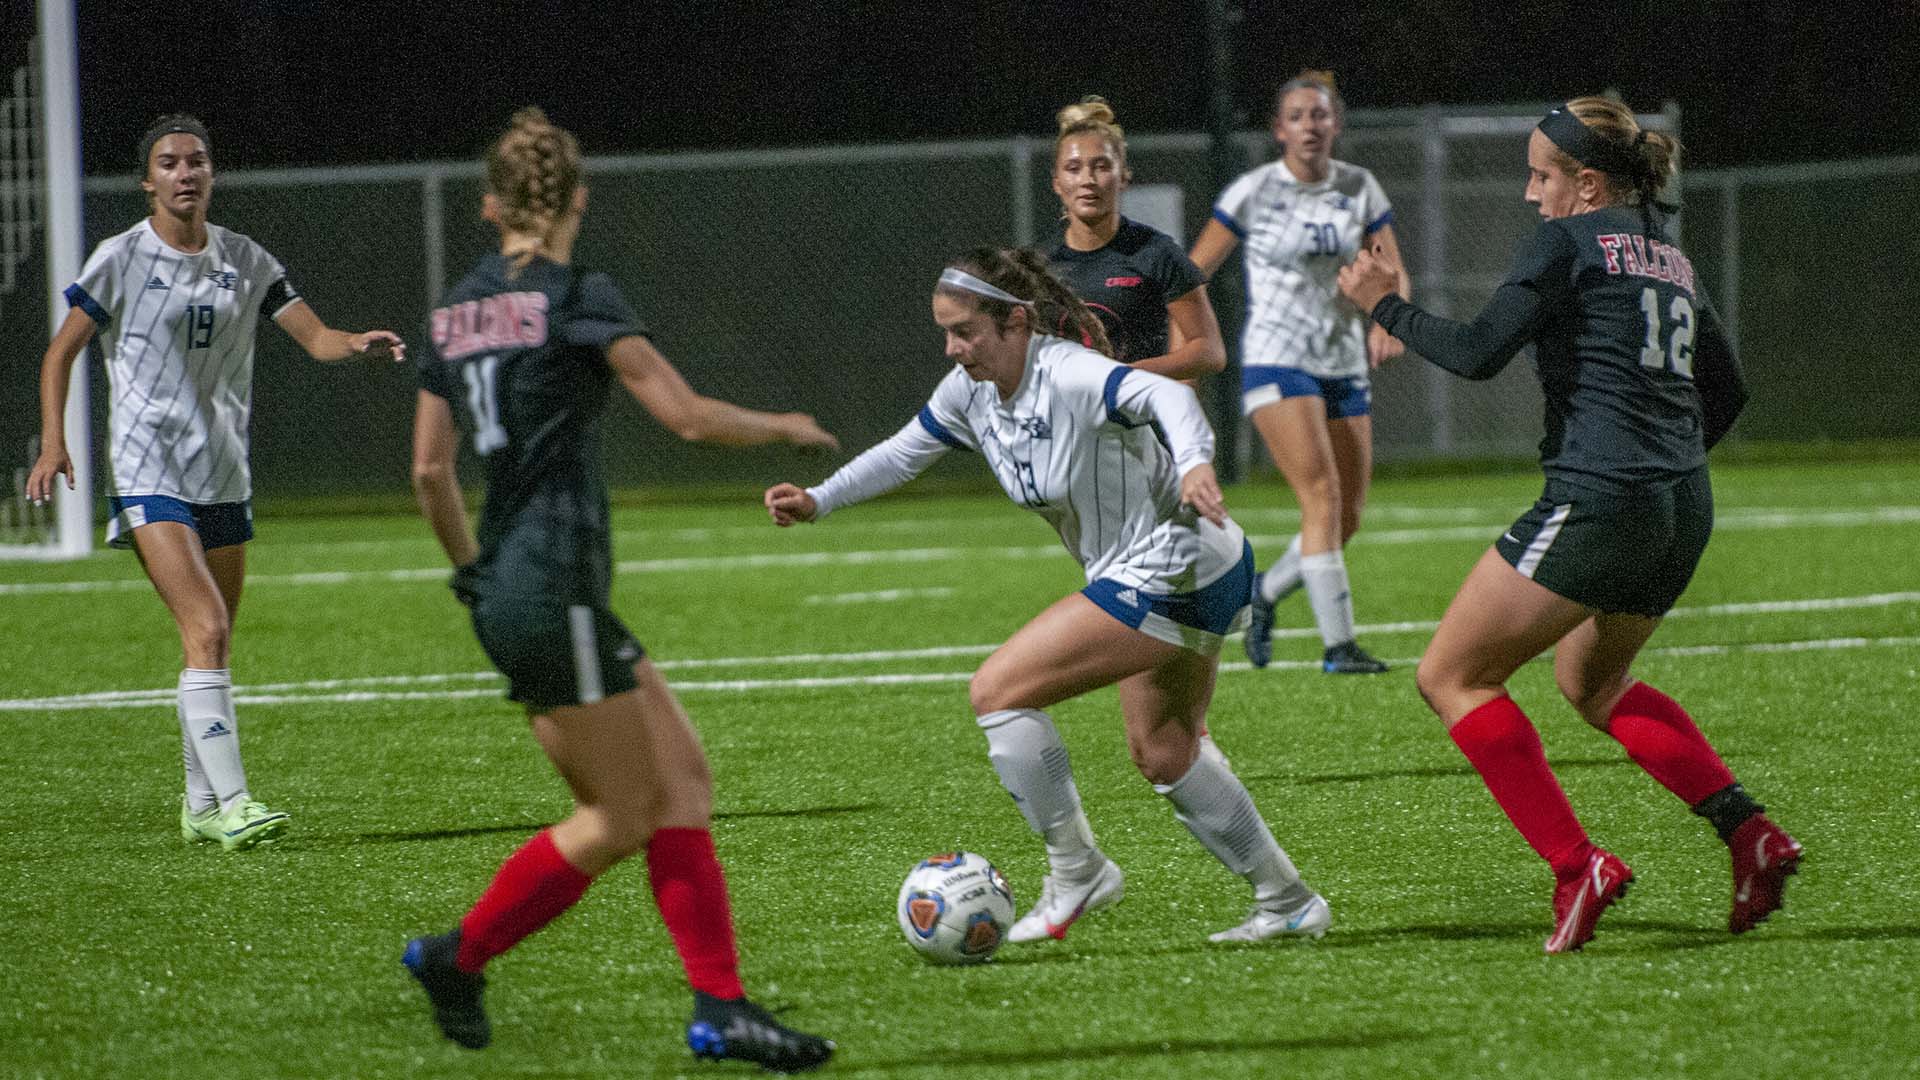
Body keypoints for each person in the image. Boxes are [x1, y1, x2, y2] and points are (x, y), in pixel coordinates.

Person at [402, 108, 836, 1070]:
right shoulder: (577, 295)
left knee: (682, 781)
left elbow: (431, 473)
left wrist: (474, 573)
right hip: (554, 583)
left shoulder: (451, 314)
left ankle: (721, 1008)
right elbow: (686, 418)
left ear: (490, 206)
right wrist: (783, 426)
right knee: (619, 816)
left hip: (519, 585)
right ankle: (455, 958)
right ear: (578, 200)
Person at [1337, 97, 1803, 954]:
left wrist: (1385, 306)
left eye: (1540, 176)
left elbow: (1477, 353)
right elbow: (1729, 388)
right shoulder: (1668, 252)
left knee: (1452, 676)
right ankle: (1751, 833)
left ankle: (1575, 864)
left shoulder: (1567, 240)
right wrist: (1659, 461)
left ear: (1586, 185)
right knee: (1594, 683)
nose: (1530, 194)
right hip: (1684, 504)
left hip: (1604, 498)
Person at [765, 247, 1331, 946]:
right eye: (946, 332)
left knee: (998, 691)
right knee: (1166, 751)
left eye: (965, 331)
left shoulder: (1067, 371)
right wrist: (819, 498)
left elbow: (1172, 396)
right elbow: (906, 450)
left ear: (1015, 322)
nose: (952, 348)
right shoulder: (970, 389)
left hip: (1177, 565)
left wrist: (1194, 464)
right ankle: (1288, 901)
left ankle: (1077, 869)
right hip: (1175, 567)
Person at [26, 114, 406, 851]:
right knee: (207, 627)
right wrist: (53, 440)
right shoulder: (120, 258)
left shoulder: (245, 259)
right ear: (148, 181)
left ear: (211, 173)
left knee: (211, 643)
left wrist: (355, 342)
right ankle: (234, 804)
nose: (185, 172)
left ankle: (199, 804)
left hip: (224, 472)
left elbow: (315, 336)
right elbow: (60, 352)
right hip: (148, 469)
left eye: (196, 160)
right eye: (169, 162)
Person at [1189, 72, 1411, 674]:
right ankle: (1339, 647)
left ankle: (1263, 592)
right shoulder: (1254, 190)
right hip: (1277, 359)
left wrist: (1389, 320)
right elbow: (1192, 275)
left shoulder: (1358, 186)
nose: (1309, 126)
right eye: (1297, 116)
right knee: (1321, 497)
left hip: (1343, 360)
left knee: (1346, 519)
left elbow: (1393, 269)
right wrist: (1192, 348)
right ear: (1279, 129)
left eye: (1319, 115)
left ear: (1335, 124)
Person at [1046, 95, 1226, 378]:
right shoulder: (1039, 265)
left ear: (1124, 178)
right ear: (1057, 182)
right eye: (1073, 168)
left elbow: (1209, 351)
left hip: (1136, 407)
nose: (1087, 180)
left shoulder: (1156, 253)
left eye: (1102, 166)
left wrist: (1125, 378)